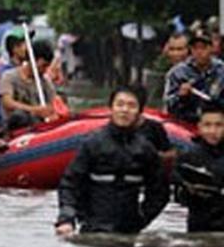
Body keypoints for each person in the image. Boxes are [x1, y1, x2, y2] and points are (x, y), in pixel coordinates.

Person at [56, 86, 169, 236]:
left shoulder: (145, 149)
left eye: (131, 106)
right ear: (111, 108)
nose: (124, 110)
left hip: (129, 230)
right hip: (93, 227)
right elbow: (70, 183)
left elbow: (160, 191)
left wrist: (142, 218)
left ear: (139, 112)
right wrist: (66, 218)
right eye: (120, 104)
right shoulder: (92, 143)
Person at [172, 101, 224, 232]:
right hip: (199, 225)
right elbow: (178, 197)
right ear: (199, 127)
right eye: (207, 125)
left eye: (218, 125)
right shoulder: (188, 156)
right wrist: (190, 191)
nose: (213, 131)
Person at [164, 34, 224, 124]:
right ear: (190, 50)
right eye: (195, 48)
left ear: (211, 48)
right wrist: (181, 96)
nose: (199, 52)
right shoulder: (178, 72)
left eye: (203, 48)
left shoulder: (221, 70)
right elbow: (169, 105)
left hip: (217, 123)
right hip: (187, 124)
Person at [0, 41, 58, 131]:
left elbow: (53, 103)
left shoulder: (45, 83)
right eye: (43, 66)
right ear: (32, 61)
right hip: (16, 126)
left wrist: (51, 112)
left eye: (47, 66)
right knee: (20, 116)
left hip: (39, 127)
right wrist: (34, 110)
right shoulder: (10, 76)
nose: (45, 70)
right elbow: (7, 102)